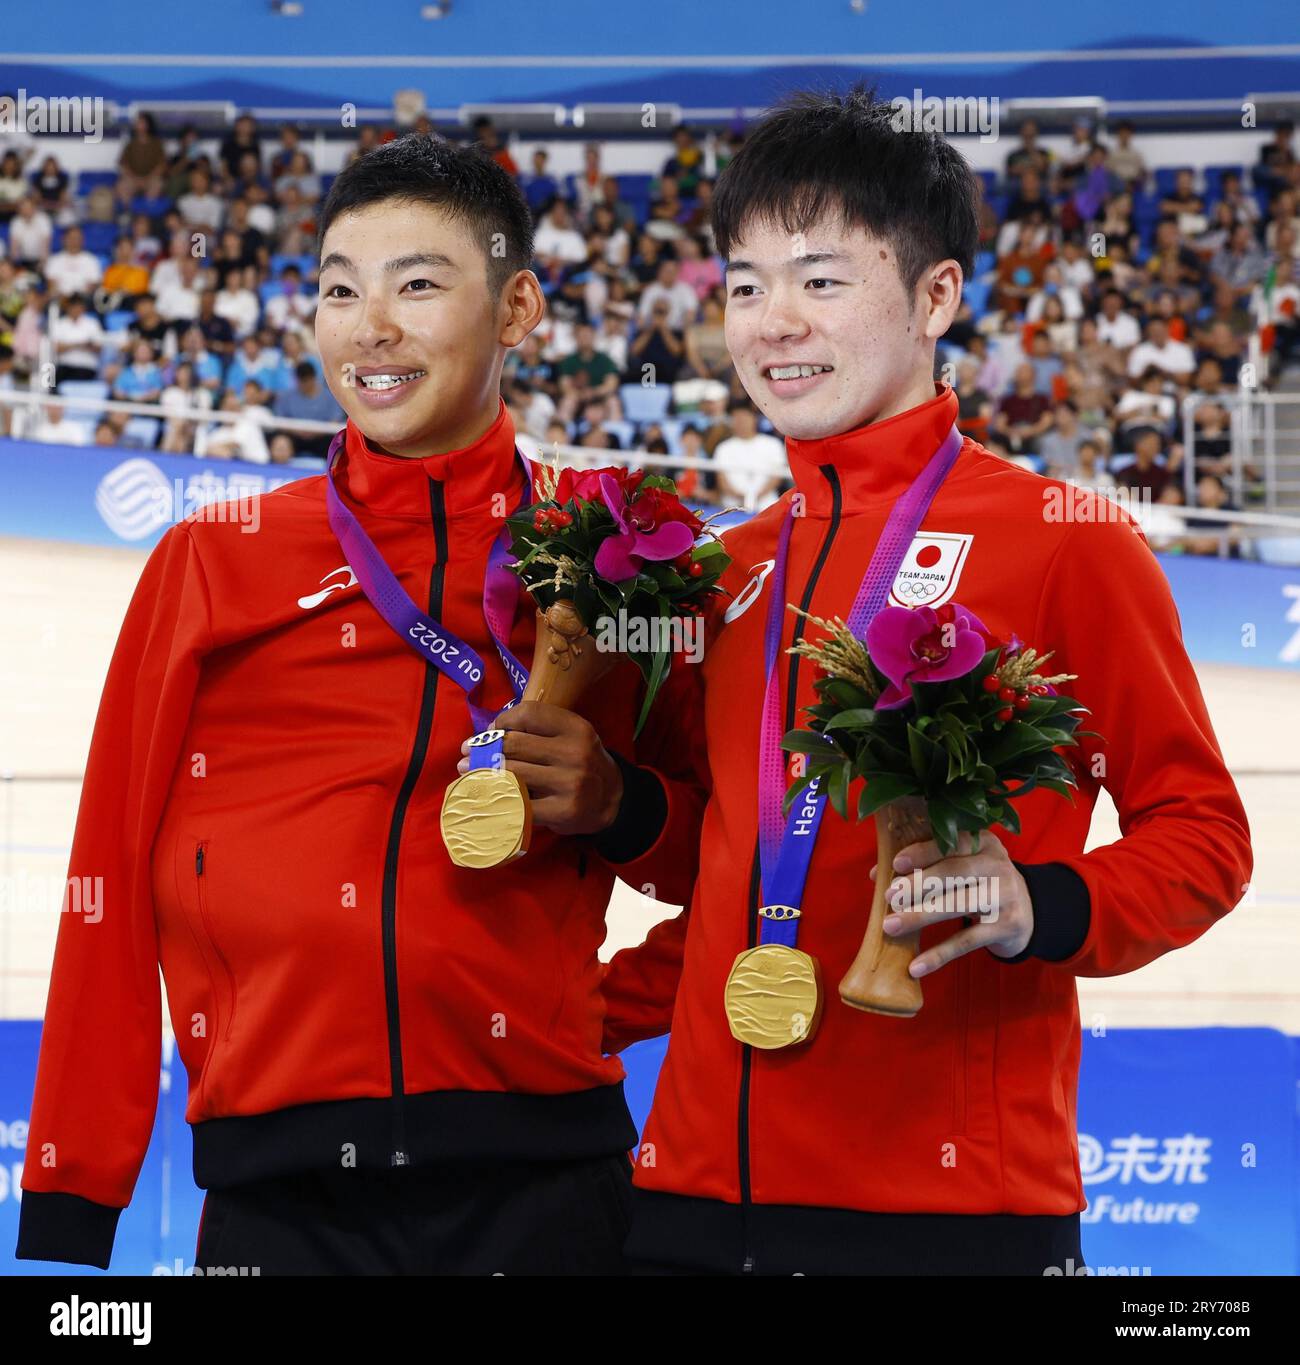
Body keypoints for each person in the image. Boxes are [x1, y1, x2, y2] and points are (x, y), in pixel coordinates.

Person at [16, 133, 708, 1275]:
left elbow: (724, 856)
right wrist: (74, 1191)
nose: (369, 325)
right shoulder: (214, 558)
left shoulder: (619, 559)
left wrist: (623, 812)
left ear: (518, 306)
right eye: (339, 288)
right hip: (277, 1200)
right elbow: (107, 873)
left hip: (550, 1182)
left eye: (418, 284)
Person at [600, 84, 1251, 1277]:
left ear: (936, 295)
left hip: (949, 1216)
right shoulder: (722, 570)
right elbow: (714, 862)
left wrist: (1037, 908)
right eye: (743, 285)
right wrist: (613, 809)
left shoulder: (1064, 540)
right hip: (692, 1194)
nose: (773, 321)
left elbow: (1202, 836)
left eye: (820, 279)